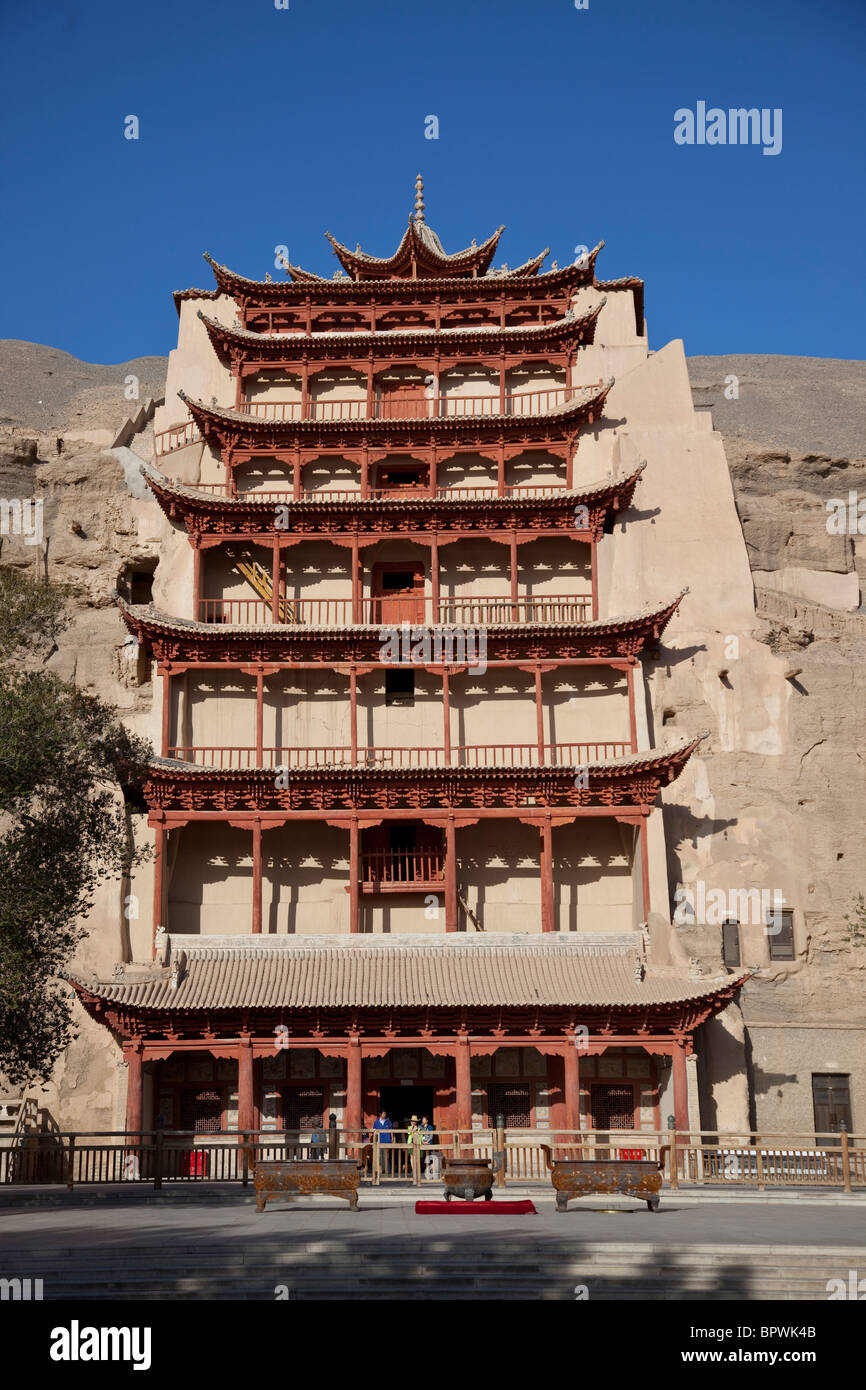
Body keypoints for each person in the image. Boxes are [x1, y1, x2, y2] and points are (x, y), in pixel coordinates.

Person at [373, 1109, 393, 1175]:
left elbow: (391, 1131)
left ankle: (388, 1170)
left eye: (385, 1113)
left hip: (387, 1141)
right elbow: (374, 1133)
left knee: (386, 1156)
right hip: (379, 1141)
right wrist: (375, 1142)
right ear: (380, 1114)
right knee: (381, 1156)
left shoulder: (388, 1122)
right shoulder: (376, 1123)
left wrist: (392, 1139)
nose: (385, 1114)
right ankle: (384, 1169)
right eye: (384, 1113)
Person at [420, 1115, 438, 1180]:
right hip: (422, 1143)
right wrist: (422, 1142)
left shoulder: (430, 1127)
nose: (423, 1121)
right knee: (422, 1157)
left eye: (424, 1119)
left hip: (428, 1143)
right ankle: (423, 1170)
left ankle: (429, 1170)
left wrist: (427, 1142)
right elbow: (419, 1135)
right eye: (422, 1119)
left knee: (428, 1157)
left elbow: (431, 1135)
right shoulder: (420, 1127)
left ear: (427, 1121)